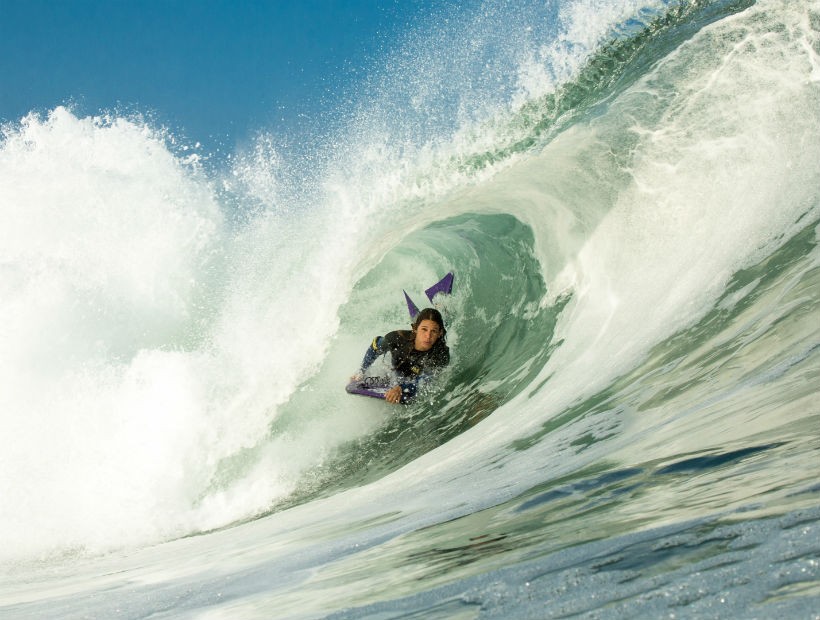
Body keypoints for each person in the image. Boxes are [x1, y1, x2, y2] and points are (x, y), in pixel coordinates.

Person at [353, 307, 450, 404]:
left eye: (433, 331)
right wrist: (361, 370)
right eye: (424, 329)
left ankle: (442, 309)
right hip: (397, 371)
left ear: (439, 333)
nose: (428, 336)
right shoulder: (396, 339)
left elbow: (424, 382)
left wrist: (401, 388)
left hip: (415, 378)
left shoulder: (440, 354)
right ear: (416, 329)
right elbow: (375, 348)